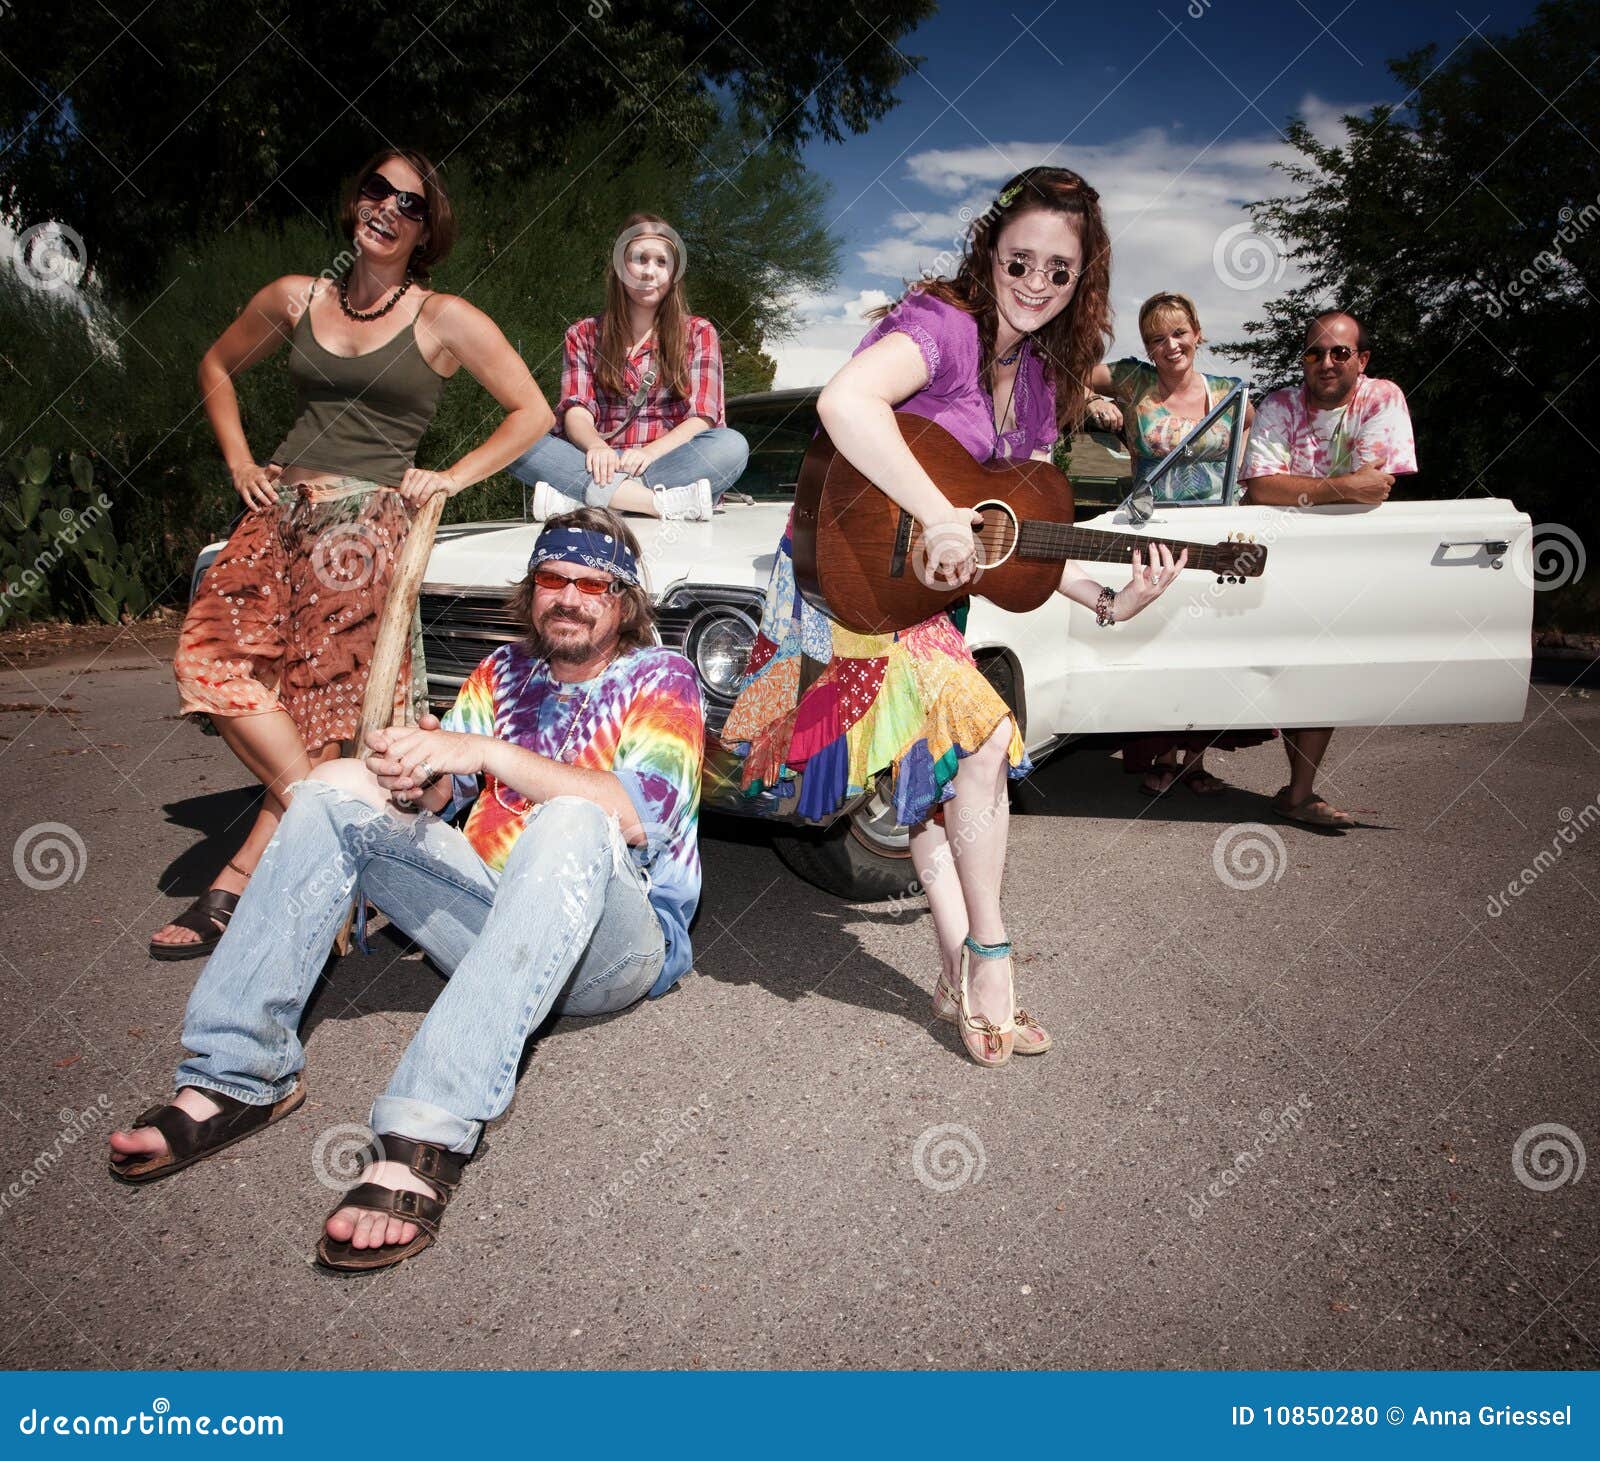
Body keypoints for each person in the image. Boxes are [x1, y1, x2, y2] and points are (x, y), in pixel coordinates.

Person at [111, 509, 705, 1273]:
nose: (570, 597)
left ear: (621, 603)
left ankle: (426, 1128)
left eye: (592, 584)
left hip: (611, 946)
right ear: (532, 592)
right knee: (330, 788)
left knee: (572, 818)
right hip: (497, 925)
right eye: (554, 579)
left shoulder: (661, 676)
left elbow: (629, 814)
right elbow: (448, 792)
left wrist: (480, 748)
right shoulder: (503, 673)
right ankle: (237, 1070)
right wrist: (415, 775)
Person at [721, 167, 1187, 1069]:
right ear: (991, 248)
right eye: (1024, 259)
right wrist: (936, 513)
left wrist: (1105, 598)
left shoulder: (1049, 384)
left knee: (933, 774)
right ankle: (992, 956)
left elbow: (1007, 540)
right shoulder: (942, 325)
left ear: (1083, 280)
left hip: (919, 599)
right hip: (845, 582)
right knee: (979, 741)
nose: (1038, 283)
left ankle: (958, 969)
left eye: (1062, 271)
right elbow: (845, 402)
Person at [153, 148, 552, 960]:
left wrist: (447, 476)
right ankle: (331, 829)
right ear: (355, 199)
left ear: (426, 230)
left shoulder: (445, 318)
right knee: (210, 663)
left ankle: (239, 878)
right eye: (378, 189)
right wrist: (238, 460)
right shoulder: (296, 296)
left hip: (362, 529)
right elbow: (216, 365)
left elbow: (532, 413)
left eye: (410, 204)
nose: (388, 208)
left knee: (328, 713)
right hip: (277, 512)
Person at [1085, 290, 1272, 797]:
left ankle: (1195, 759)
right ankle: (1160, 754)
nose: (1170, 345)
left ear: (1197, 333)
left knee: (1210, 643)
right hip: (1156, 530)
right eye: (1156, 338)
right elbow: (1068, 371)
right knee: (1161, 638)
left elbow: (1258, 435)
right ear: (1146, 348)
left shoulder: (1230, 392)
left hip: (1216, 535)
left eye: (1178, 333)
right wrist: (1095, 400)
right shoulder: (1131, 378)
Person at [1238, 309, 1417, 829]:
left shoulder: (1382, 397)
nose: (1326, 362)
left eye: (1340, 352)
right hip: (1277, 558)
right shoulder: (1279, 404)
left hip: (1346, 560)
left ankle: (1298, 792)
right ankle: (1190, 767)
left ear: (1361, 360)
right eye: (1314, 352)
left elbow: (1376, 488)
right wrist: (1339, 488)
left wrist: (1297, 490)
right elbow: (1260, 487)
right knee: (1280, 666)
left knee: (1323, 670)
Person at [510, 213, 749, 523]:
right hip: (597, 463)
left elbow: (702, 417)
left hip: (668, 461)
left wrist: (648, 454)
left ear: (673, 273)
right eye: (640, 259)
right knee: (518, 440)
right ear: (620, 266)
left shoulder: (699, 332)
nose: (650, 272)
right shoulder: (582, 333)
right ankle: (657, 504)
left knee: (731, 445)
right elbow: (576, 410)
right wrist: (596, 446)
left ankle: (589, 500)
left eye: (661, 262)